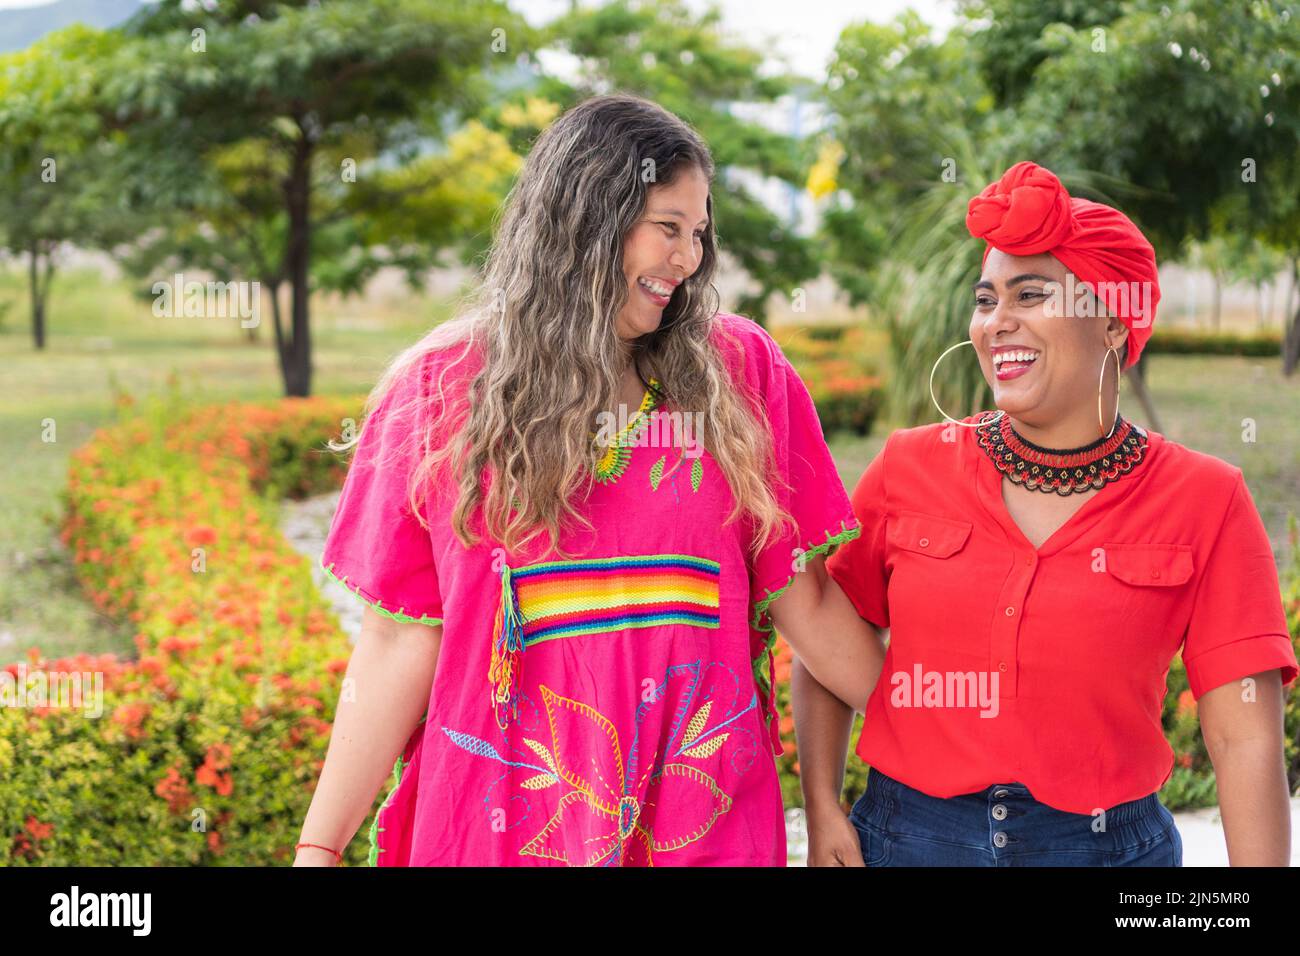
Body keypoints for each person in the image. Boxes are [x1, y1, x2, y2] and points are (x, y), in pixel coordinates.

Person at [292, 94, 871, 867]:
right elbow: (399, 640)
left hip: (703, 823)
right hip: (498, 829)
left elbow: (810, 601)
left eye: (698, 234)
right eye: (667, 228)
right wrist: (319, 847)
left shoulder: (742, 375)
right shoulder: (439, 389)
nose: (688, 259)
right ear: (586, 219)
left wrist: (966, 731)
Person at [794, 161, 1299, 867]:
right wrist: (821, 804)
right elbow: (824, 643)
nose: (998, 323)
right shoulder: (909, 465)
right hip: (908, 840)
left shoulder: (1207, 499)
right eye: (986, 299)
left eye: (1031, 294)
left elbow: (1243, 738)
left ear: (1115, 323)